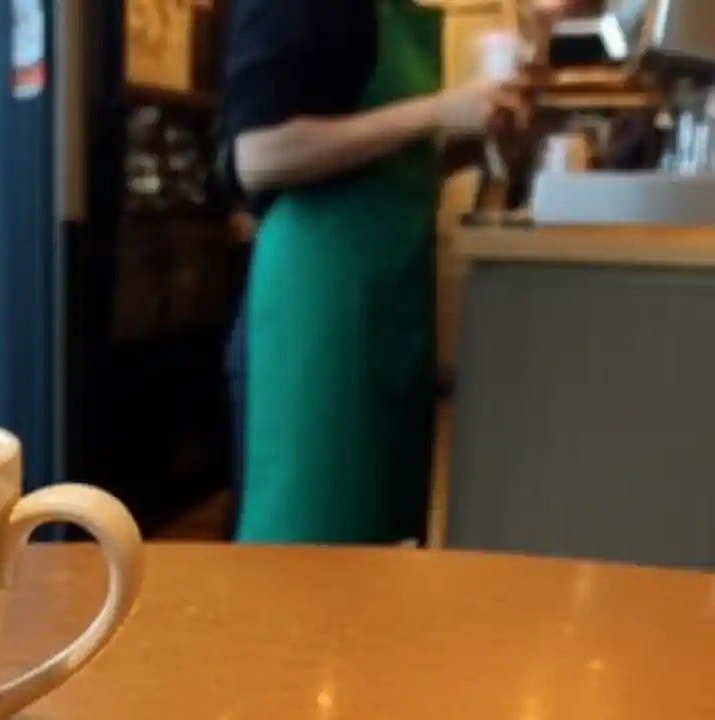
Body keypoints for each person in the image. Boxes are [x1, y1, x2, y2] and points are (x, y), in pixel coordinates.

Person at [226, 0, 540, 543]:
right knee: (306, 542)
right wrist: (437, 112)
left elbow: (380, 156)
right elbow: (258, 155)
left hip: (390, 299)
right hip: (317, 308)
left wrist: (471, 136)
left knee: (382, 541)